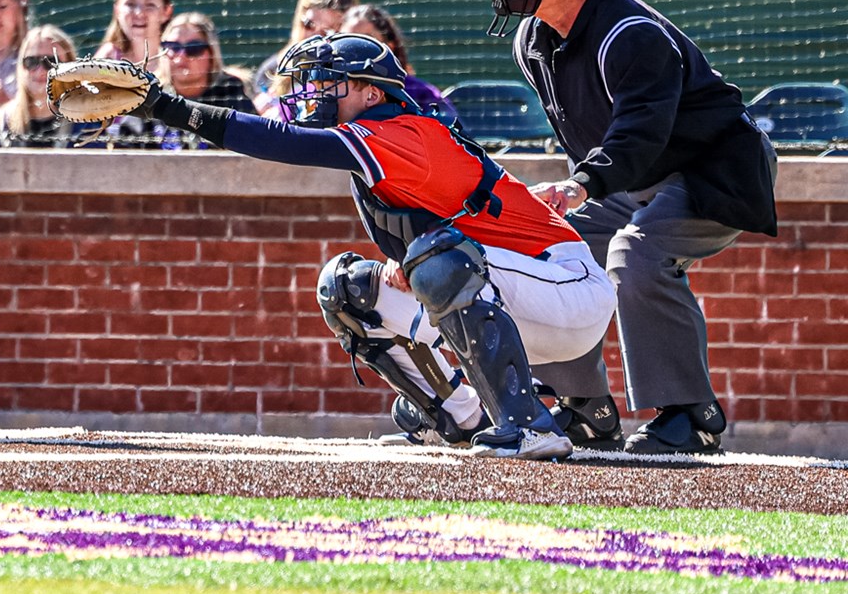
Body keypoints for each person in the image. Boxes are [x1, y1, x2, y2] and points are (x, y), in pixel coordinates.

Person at [126, 33, 617, 459]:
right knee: (347, 289)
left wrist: (166, 107)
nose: (315, 93)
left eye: (329, 82)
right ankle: (461, 419)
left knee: (435, 259)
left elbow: (280, 141)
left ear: (369, 91)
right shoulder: (383, 137)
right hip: (514, 293)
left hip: (566, 285)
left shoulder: (404, 132)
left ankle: (529, 425)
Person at [489, 0, 778, 454]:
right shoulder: (531, 39)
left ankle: (691, 413)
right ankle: (586, 405)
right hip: (638, 179)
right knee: (553, 250)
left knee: (637, 253)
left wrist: (582, 183)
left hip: (717, 170)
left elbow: (639, 132)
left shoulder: (631, 33)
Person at [115, 10, 251, 149]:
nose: (181, 56)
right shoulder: (148, 97)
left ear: (211, 54)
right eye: (173, 47)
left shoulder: (233, 97)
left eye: (193, 48)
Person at [254, 0, 361, 111]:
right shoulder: (273, 69)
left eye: (326, 32)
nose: (313, 38)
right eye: (309, 24)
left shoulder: (357, 75)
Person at [342, 4, 457, 125]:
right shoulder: (330, 89)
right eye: (345, 40)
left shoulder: (420, 92)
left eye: (367, 40)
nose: (355, 48)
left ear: (389, 46)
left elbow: (451, 134)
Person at [0, 25, 93, 148]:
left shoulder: (88, 123)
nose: (40, 70)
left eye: (51, 62)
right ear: (21, 67)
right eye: (31, 62)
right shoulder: (0, 122)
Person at [94, 0, 172, 72]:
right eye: (130, 4)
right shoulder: (107, 60)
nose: (139, 13)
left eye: (150, 5)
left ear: (166, 12)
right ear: (117, 10)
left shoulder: (179, 57)